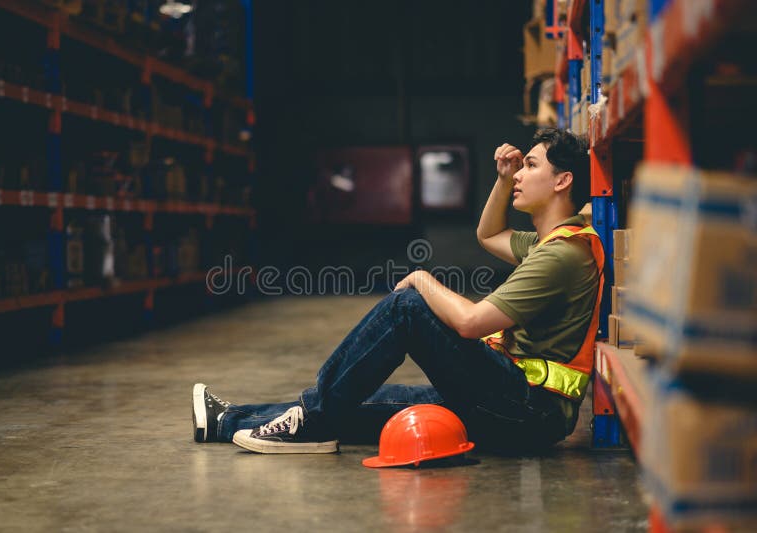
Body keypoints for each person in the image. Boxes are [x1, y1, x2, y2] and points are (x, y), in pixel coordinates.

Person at [192, 128, 603, 453]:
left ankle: (311, 423)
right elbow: (490, 233)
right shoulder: (549, 243)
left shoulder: (561, 257)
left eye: (530, 166)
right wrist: (500, 179)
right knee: (365, 401)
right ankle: (228, 421)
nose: (519, 173)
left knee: (407, 307)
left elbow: (472, 324)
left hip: (527, 412)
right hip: (513, 399)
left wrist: (423, 279)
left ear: (562, 180)